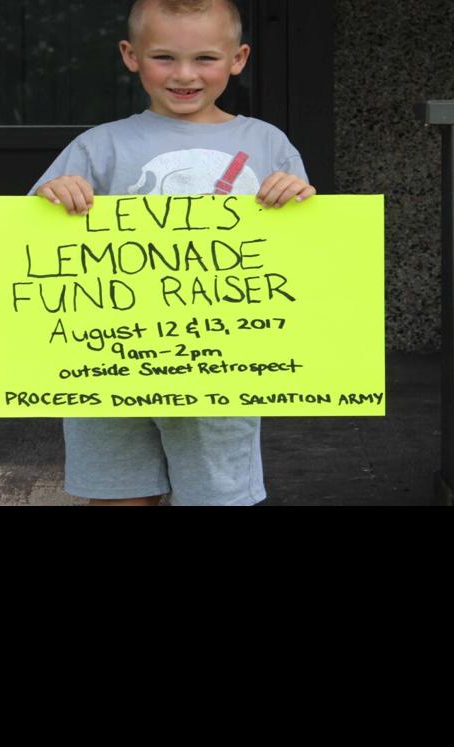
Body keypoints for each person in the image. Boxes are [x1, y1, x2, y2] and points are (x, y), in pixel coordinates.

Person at [31, 0, 316, 506]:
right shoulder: (98, 148)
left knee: (218, 498)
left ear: (238, 58)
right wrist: (57, 195)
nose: (185, 75)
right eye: (164, 57)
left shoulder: (268, 144)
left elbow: (300, 254)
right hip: (109, 367)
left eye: (205, 58)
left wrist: (295, 198)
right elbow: (26, 247)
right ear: (130, 55)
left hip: (223, 370)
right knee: (117, 496)